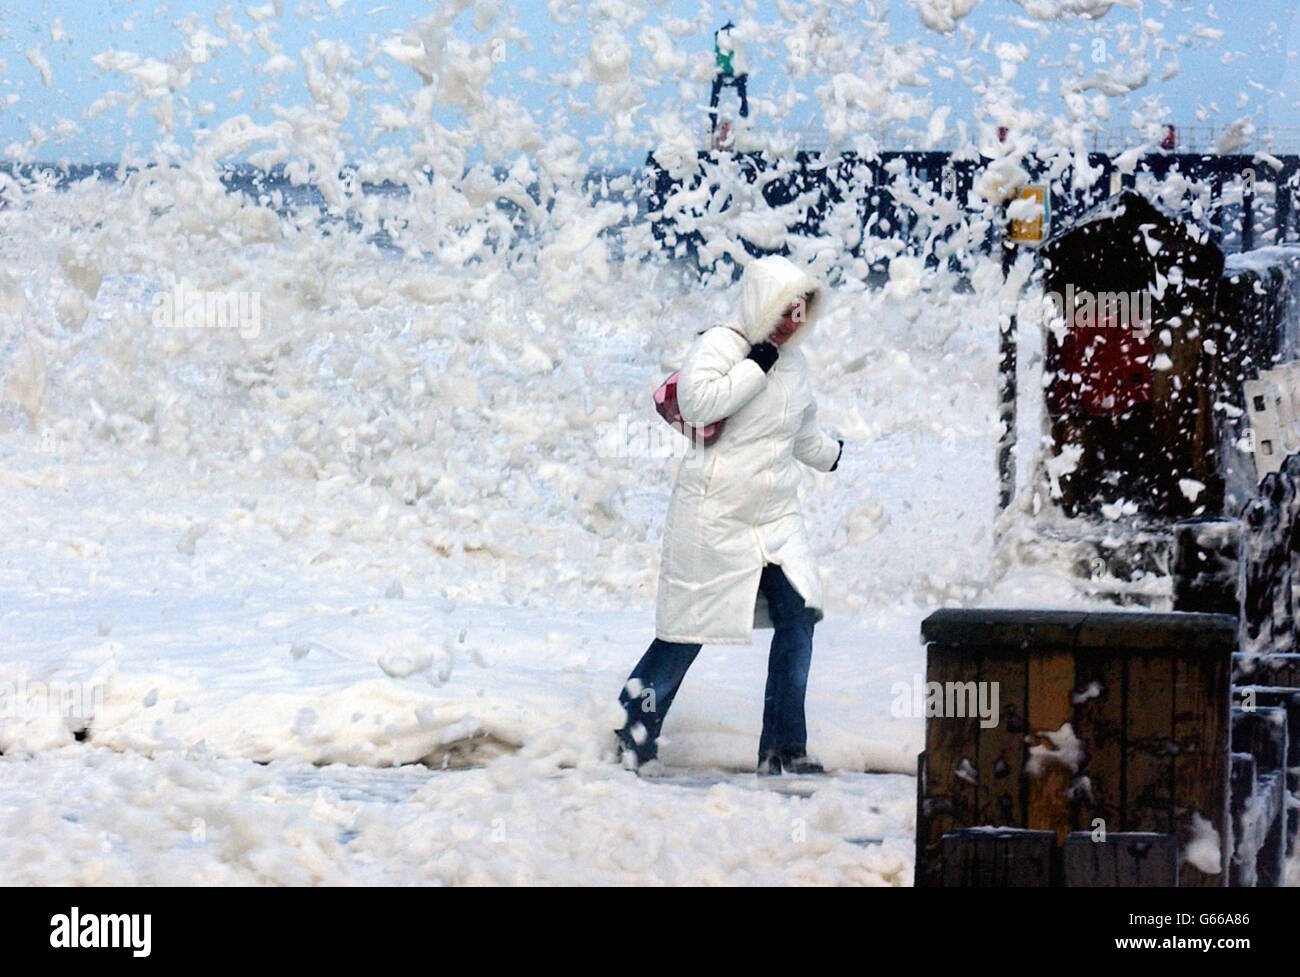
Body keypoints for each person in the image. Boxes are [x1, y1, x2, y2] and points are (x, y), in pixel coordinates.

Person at [616, 255, 845, 777]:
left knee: (800, 615)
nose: (795, 321)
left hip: (775, 520)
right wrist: (755, 364)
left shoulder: (795, 364)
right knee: (688, 629)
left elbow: (798, 431)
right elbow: (699, 406)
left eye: (803, 310)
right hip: (714, 516)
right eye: (787, 309)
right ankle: (634, 727)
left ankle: (783, 749)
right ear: (764, 304)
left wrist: (831, 454)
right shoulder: (721, 345)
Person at [708, 21, 749, 134]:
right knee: (742, 96)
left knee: (715, 99)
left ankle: (712, 123)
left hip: (721, 71)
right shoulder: (736, 37)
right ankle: (744, 122)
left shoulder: (719, 35)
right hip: (735, 71)